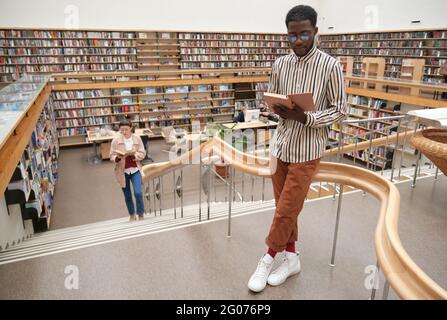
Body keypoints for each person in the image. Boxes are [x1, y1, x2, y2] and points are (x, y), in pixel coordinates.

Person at [247, 5, 348, 293]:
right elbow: (276, 99)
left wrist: (308, 117)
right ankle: (292, 258)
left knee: (285, 210)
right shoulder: (280, 64)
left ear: (315, 31)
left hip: (307, 150)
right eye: (292, 36)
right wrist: (276, 109)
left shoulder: (330, 66)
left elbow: (341, 109)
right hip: (280, 146)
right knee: (284, 210)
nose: (298, 41)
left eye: (304, 33)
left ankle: (267, 258)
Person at [110, 120, 147, 221]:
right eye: (122, 130)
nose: (124, 132)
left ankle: (140, 213)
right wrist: (117, 158)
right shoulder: (115, 141)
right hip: (122, 172)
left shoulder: (137, 138)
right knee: (127, 195)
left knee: (138, 192)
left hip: (135, 170)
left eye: (126, 129)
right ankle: (131, 214)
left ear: (131, 128)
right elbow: (111, 155)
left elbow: (143, 152)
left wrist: (136, 156)